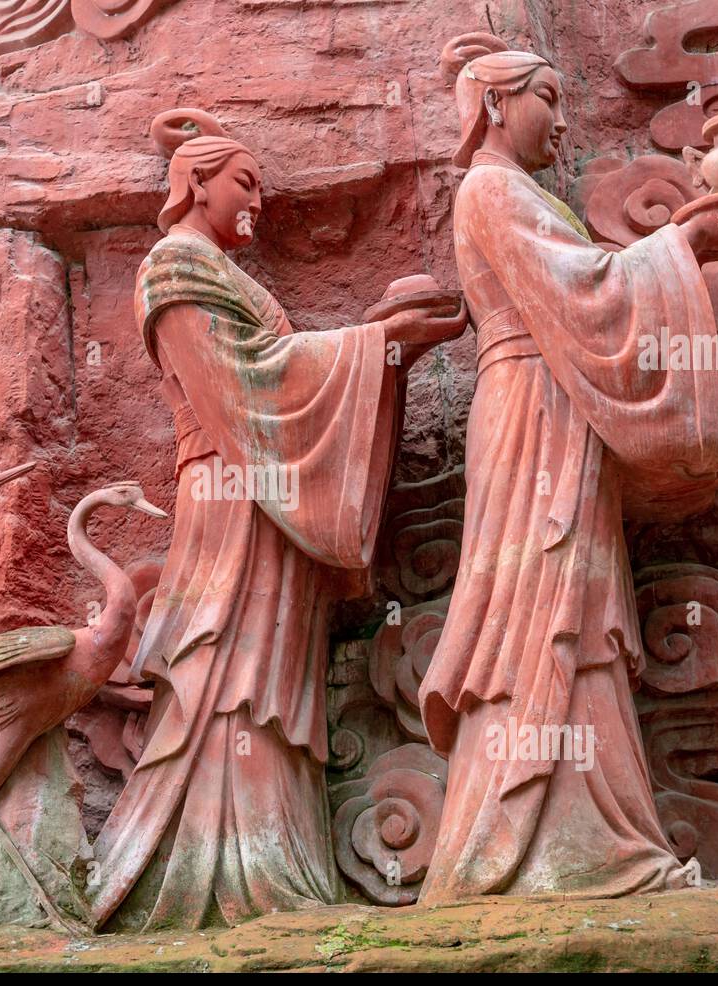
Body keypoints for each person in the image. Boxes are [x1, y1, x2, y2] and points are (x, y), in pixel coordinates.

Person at [418, 33, 718, 900]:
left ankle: (597, 833)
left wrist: (681, 244)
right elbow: (580, 287)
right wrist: (683, 246)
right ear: (493, 103)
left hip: (563, 407)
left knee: (582, 605)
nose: (561, 119)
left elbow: (591, 282)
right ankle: (519, 840)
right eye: (547, 98)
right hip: (529, 408)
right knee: (534, 606)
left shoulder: (519, 191)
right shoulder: (487, 189)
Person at [87, 109, 467, 930]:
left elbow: (276, 378)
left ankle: (279, 860)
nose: (257, 200)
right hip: (229, 494)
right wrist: (369, 344)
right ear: (197, 184)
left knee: (274, 681)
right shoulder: (173, 267)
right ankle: (217, 869)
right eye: (245, 183)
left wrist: (383, 350)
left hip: (268, 494)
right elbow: (241, 384)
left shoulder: (222, 272)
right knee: (230, 672)